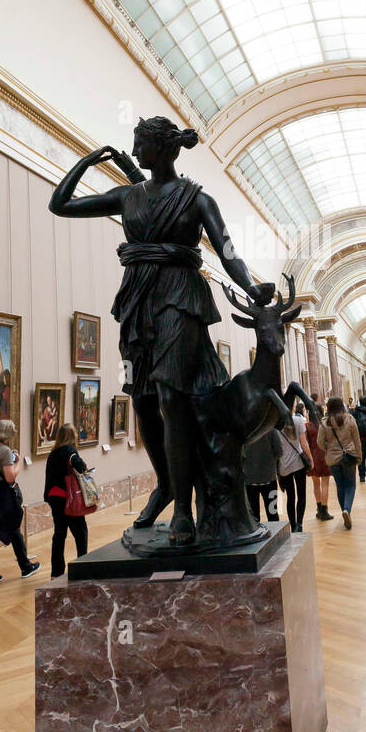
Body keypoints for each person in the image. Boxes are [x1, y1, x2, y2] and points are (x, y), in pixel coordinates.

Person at [50, 117, 275, 545]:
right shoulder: (128, 195)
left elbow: (225, 249)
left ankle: (185, 513)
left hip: (179, 299)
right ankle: (167, 485)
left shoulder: (196, 199)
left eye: (141, 145)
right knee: (142, 399)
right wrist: (87, 161)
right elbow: (60, 205)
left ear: (162, 149)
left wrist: (250, 285)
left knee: (171, 397)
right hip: (138, 303)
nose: (134, 153)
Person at [0, 420, 40, 585]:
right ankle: (26, 566)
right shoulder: (4, 451)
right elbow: (10, 477)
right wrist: (17, 462)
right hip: (2, 496)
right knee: (14, 530)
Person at [44, 422, 90, 578]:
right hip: (69, 498)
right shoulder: (70, 451)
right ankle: (82, 566)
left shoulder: (53, 453)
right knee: (80, 532)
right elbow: (81, 467)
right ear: (73, 436)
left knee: (59, 534)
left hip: (54, 497)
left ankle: (56, 572)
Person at [318, 396, 361, 530]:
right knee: (351, 486)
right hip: (348, 456)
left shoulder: (324, 423)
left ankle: (344, 510)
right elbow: (356, 439)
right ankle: (346, 510)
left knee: (340, 486)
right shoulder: (349, 420)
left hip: (333, 458)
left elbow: (320, 442)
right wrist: (359, 456)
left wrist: (329, 449)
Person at [277, 409, 311, 532]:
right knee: (301, 495)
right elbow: (304, 443)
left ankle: (292, 525)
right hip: (298, 464)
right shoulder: (298, 420)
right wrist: (310, 459)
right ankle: (299, 524)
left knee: (290, 497)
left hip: (284, 466)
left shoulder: (276, 424)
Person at [243, 427, 282, 528]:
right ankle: (276, 540)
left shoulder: (244, 429)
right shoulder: (272, 429)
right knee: (273, 512)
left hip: (249, 479)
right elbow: (279, 451)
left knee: (253, 515)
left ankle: (256, 540)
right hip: (270, 478)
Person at [304, 406, 333, 519]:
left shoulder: (307, 426)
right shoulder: (325, 425)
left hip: (312, 457)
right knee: (325, 484)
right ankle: (324, 511)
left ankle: (319, 508)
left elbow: (305, 443)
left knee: (316, 484)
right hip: (324, 456)